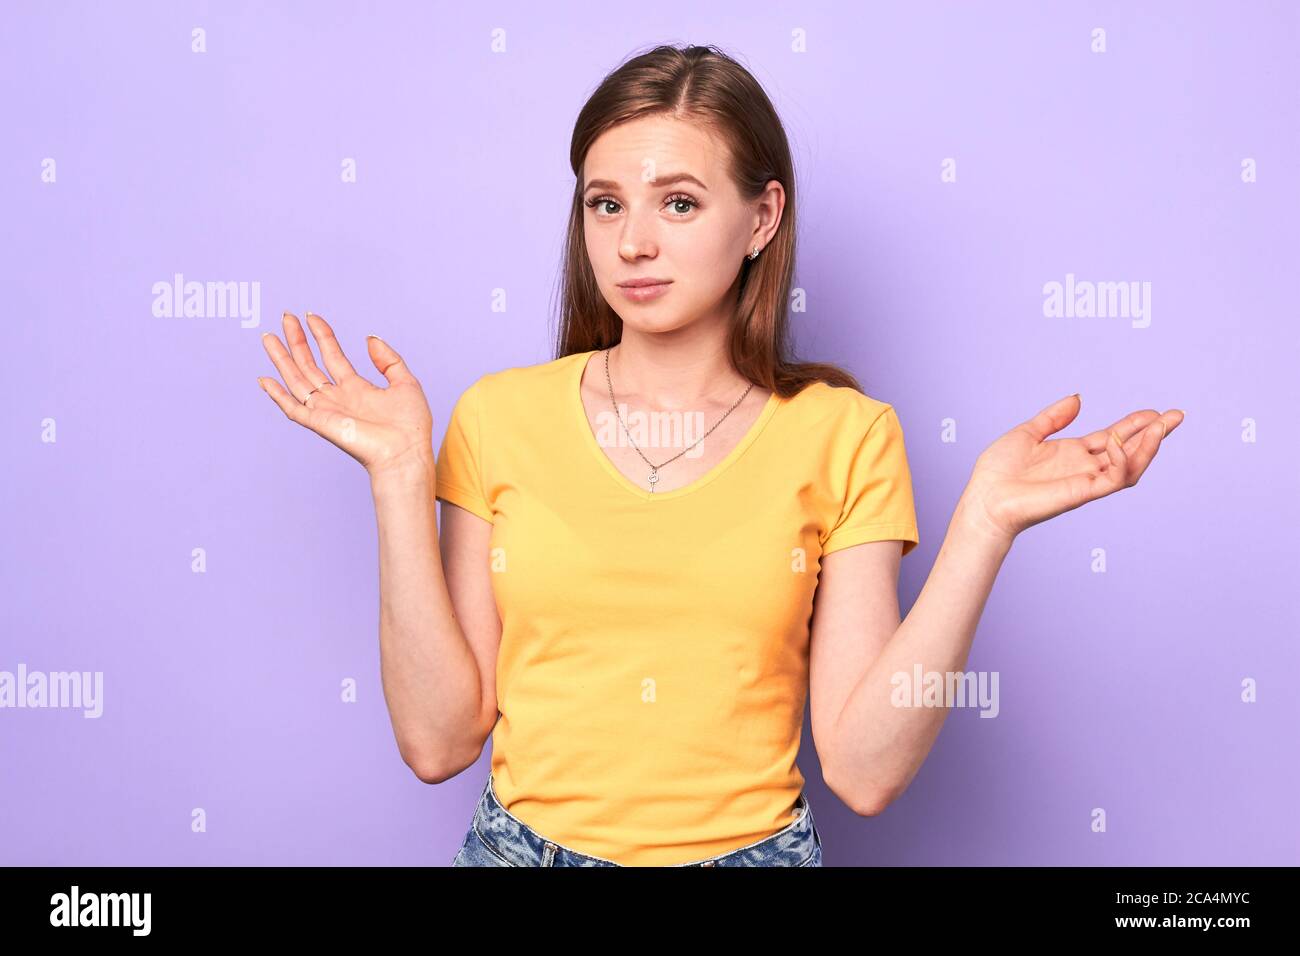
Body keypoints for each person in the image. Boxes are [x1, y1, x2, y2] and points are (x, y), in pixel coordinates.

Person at [255, 44, 1183, 867]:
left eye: (680, 202)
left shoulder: (845, 433)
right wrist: (399, 478)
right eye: (606, 203)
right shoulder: (498, 418)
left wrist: (983, 524)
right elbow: (436, 742)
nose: (634, 242)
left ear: (762, 218)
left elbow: (863, 772)